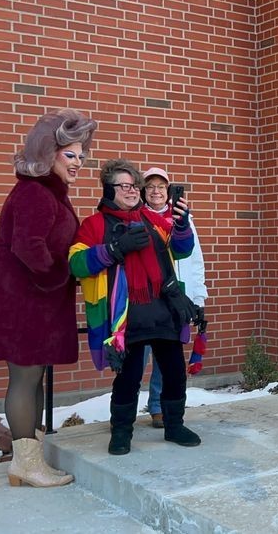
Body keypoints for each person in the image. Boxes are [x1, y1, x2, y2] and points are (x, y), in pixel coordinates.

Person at [0, 109, 97, 487]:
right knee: (25, 376)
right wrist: (63, 274)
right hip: (21, 300)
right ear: (49, 153)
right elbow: (30, 249)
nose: (78, 162)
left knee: (35, 375)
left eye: (82, 154)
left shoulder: (49, 192)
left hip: (36, 300)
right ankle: (24, 464)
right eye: (70, 154)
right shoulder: (34, 193)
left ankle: (32, 459)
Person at [69, 158, 203, 455]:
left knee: (174, 371)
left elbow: (182, 250)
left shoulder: (152, 218)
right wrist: (114, 250)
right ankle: (121, 432)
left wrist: (181, 225)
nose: (132, 191)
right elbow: (76, 263)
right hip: (126, 316)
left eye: (135, 185)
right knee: (128, 377)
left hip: (164, 307)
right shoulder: (94, 225)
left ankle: (174, 425)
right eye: (125, 185)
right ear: (108, 189)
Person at [139, 167, 208, 429]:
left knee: (166, 357)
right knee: (137, 356)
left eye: (161, 186)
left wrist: (198, 296)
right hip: (144, 297)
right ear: (143, 191)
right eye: (150, 187)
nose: (156, 191)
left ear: (169, 191)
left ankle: (158, 407)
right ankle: (124, 407)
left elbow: (195, 259)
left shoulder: (181, 218)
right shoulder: (136, 216)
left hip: (174, 298)